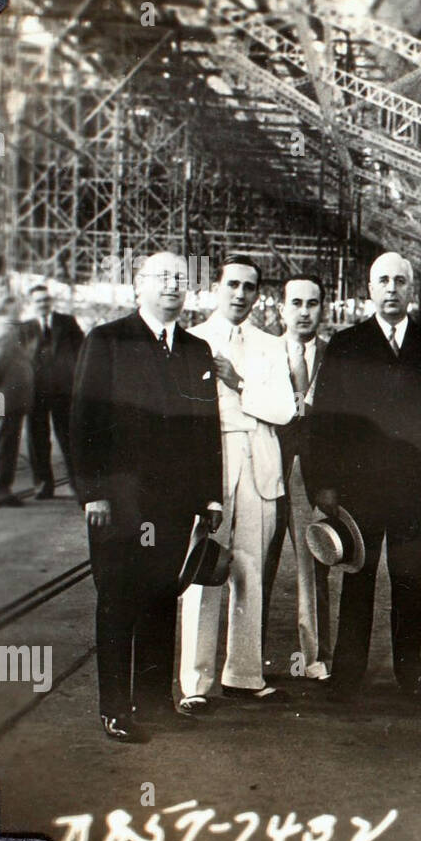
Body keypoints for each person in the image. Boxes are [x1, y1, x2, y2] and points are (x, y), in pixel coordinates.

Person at [69, 251, 223, 741]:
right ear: (139, 286)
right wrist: (93, 493)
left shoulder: (196, 350)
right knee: (118, 597)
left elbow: (206, 429)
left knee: (162, 596)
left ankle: (154, 701)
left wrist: (211, 496)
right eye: (162, 278)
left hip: (176, 501)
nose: (173, 285)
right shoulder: (108, 340)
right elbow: (84, 421)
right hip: (119, 500)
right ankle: (115, 708)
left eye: (181, 277)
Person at [305, 251, 421, 705]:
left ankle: (410, 673)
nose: (391, 289)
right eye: (383, 281)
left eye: (400, 281)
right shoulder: (347, 345)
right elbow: (326, 420)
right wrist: (325, 484)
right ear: (370, 289)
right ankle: (347, 673)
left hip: (414, 489)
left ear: (412, 290)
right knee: (358, 579)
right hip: (359, 490)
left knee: (409, 582)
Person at [179, 255, 297, 712]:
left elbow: (285, 410)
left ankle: (245, 673)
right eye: (233, 285)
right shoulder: (193, 342)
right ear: (216, 288)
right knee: (204, 570)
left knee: (250, 569)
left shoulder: (270, 345)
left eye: (250, 287)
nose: (241, 294)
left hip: (260, 464)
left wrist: (239, 382)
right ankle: (195, 681)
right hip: (213, 463)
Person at [265, 276, 333, 681]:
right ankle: (248, 658)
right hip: (268, 472)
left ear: (322, 308)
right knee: (258, 569)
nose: (304, 311)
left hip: (314, 477)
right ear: (281, 310)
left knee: (313, 568)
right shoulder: (264, 353)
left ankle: (315, 659)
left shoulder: (334, 355)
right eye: (296, 303)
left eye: (312, 303)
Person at [24, 280, 84, 499]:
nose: (43, 304)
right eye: (38, 301)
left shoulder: (67, 323)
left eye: (46, 299)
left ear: (51, 301)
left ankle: (78, 485)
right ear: (32, 304)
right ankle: (43, 485)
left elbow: (81, 352)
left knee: (69, 437)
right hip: (36, 393)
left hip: (64, 392)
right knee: (37, 440)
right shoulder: (26, 329)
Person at [0, 294, 36, 508]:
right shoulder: (5, 333)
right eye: (17, 306)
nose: (21, 309)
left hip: (1, 397)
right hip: (5, 398)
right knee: (5, 441)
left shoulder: (1, 331)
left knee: (1, 440)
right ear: (6, 309)